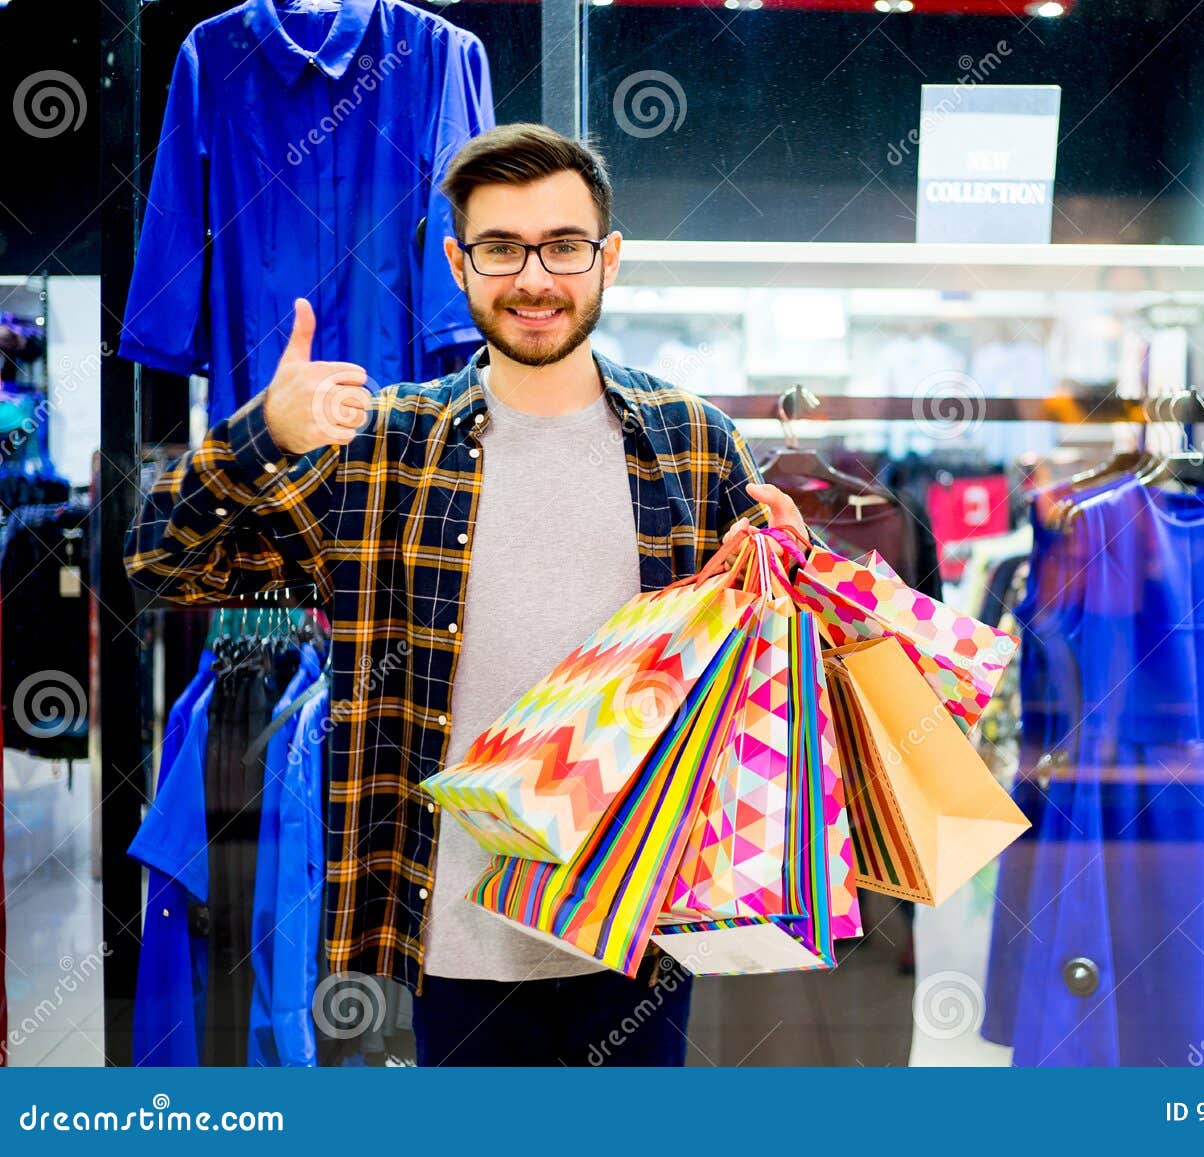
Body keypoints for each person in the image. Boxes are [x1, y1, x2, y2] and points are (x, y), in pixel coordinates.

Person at [124, 123, 810, 1067]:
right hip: (455, 936)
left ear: (608, 258)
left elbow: (773, 668)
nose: (534, 278)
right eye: (501, 249)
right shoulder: (383, 449)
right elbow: (161, 560)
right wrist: (261, 436)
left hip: (643, 925)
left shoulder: (695, 441)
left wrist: (792, 572)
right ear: (457, 263)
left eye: (563, 246)